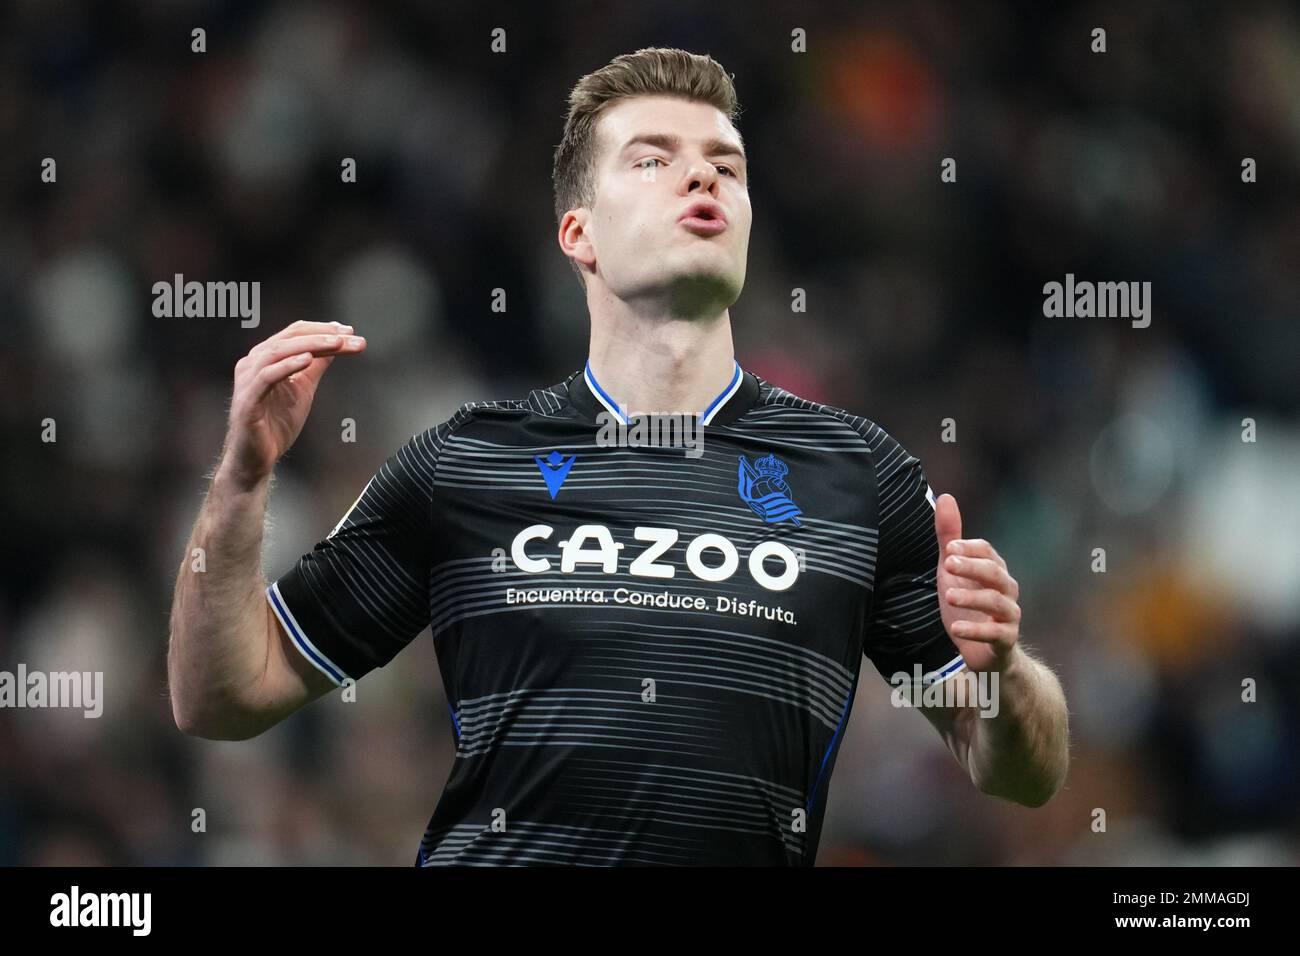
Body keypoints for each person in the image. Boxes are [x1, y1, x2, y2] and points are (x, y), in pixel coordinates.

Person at [168, 47, 1069, 865]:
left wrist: (1004, 671)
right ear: (579, 234)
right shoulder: (466, 463)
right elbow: (223, 695)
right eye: (652, 159)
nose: (700, 176)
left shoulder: (856, 472)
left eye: (726, 164)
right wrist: (242, 484)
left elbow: (1021, 770)